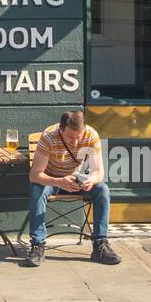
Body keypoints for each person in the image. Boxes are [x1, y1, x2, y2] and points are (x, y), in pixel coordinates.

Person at [23, 110, 120, 266]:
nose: (75, 142)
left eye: (78, 137)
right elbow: (34, 175)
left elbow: (99, 172)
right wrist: (59, 181)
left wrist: (91, 180)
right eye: (70, 138)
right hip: (52, 179)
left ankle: (100, 245)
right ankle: (37, 245)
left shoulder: (91, 135)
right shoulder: (49, 137)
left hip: (77, 178)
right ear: (61, 129)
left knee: (102, 189)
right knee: (36, 189)